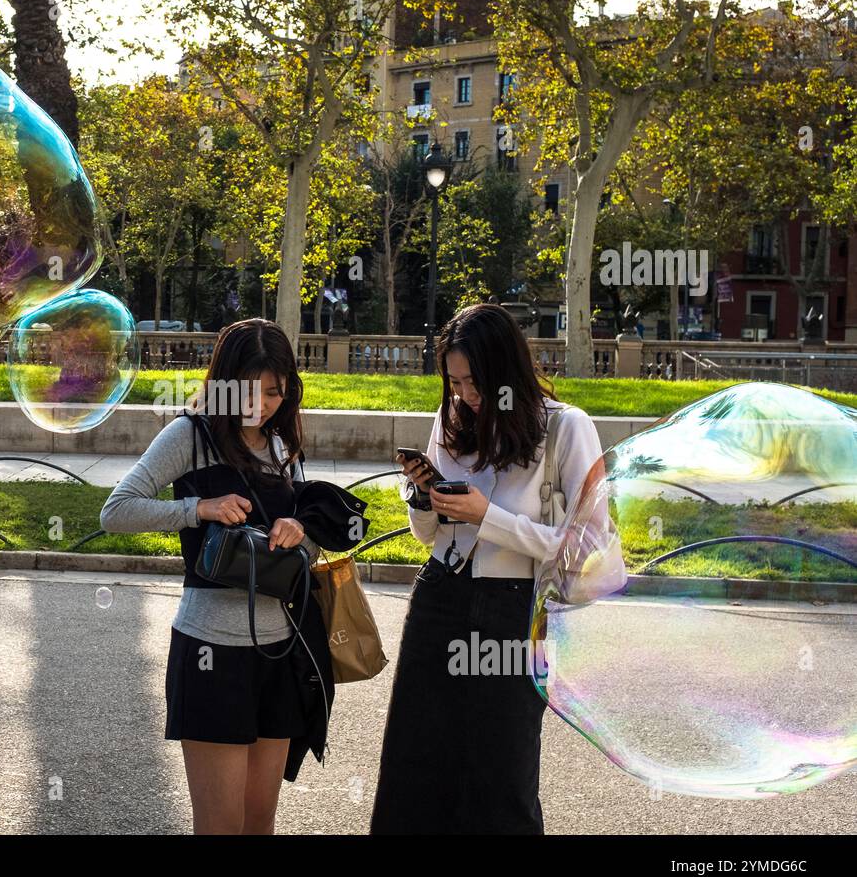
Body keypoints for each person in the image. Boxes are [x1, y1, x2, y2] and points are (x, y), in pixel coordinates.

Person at [371, 303, 604, 834]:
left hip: (514, 608)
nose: (463, 395)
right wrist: (424, 500)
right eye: (453, 383)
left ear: (506, 371)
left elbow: (588, 545)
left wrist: (489, 518)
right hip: (438, 596)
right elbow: (426, 536)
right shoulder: (451, 420)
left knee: (502, 773)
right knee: (416, 764)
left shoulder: (566, 428)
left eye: (474, 382)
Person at [100, 318, 333, 834]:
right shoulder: (190, 435)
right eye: (250, 391)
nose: (262, 405)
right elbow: (116, 511)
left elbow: (309, 550)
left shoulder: (280, 446)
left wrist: (302, 531)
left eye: (274, 392)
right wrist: (198, 508)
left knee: (259, 822)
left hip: (279, 653)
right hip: (211, 653)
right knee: (221, 824)